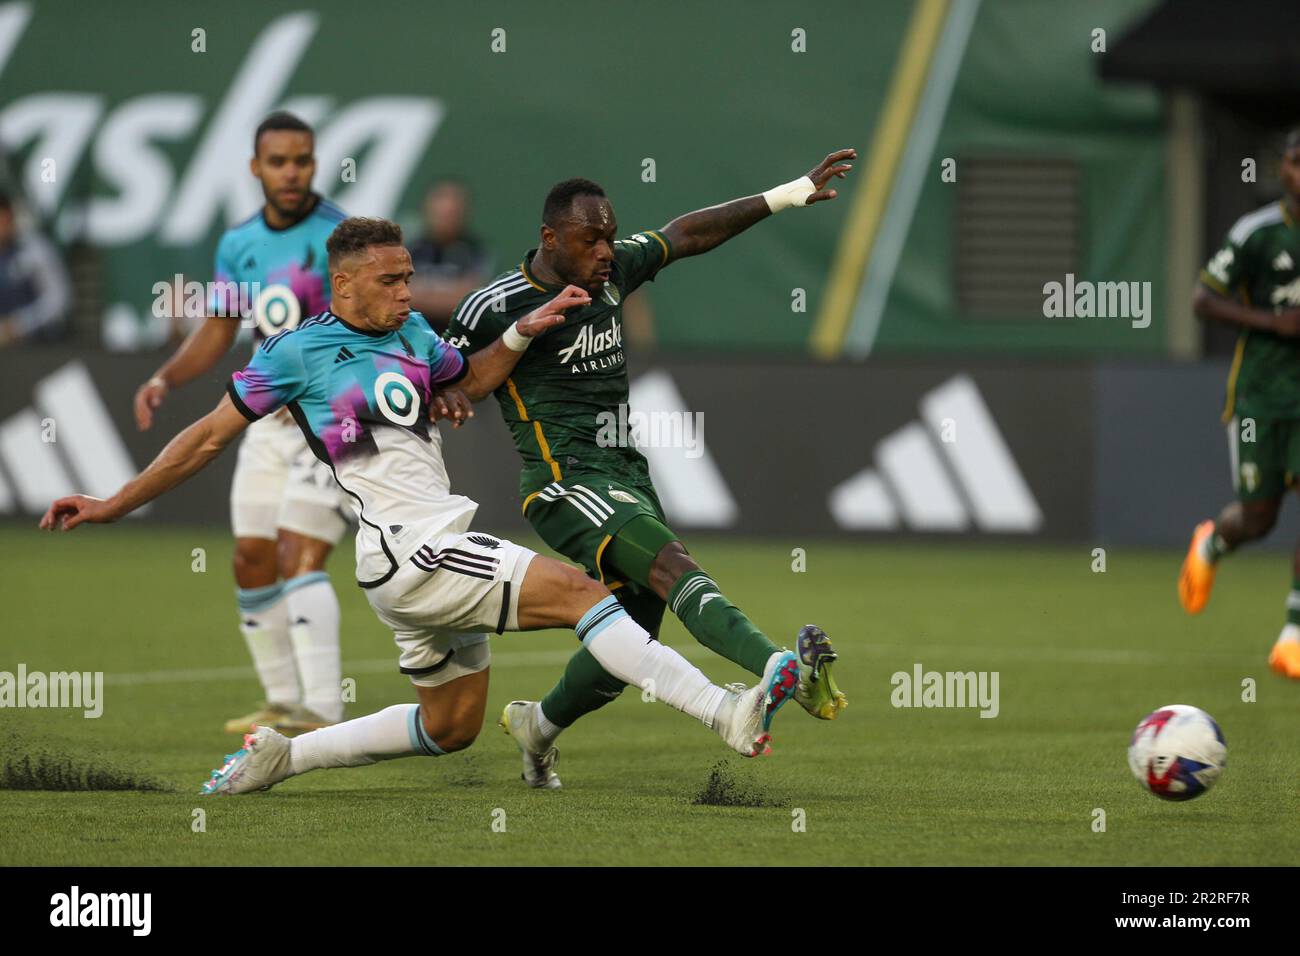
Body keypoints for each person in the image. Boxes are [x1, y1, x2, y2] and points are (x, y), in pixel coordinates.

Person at [40, 217, 800, 796]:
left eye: (408, 277)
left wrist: (522, 332)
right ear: (342, 287)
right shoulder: (293, 354)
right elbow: (206, 439)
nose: (408, 293)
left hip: (405, 561)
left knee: (453, 728)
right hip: (413, 546)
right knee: (583, 596)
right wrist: (113, 503)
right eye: (390, 281)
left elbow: (463, 382)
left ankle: (285, 757)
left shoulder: (407, 332)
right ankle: (721, 711)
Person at [443, 150, 856, 788]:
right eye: (591, 239)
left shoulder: (612, 273)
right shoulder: (495, 304)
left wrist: (785, 194)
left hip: (625, 474)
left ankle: (538, 728)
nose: (607, 250)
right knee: (673, 566)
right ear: (550, 238)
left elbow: (687, 233)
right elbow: (465, 385)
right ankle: (778, 668)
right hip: (564, 481)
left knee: (628, 635)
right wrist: (523, 334)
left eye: (610, 236)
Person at [131, 111, 350, 735]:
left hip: (328, 421)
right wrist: (165, 377)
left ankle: (325, 711)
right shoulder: (239, 243)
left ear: (314, 163)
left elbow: (363, 329)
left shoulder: (340, 237)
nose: (291, 172)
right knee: (251, 558)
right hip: (265, 419)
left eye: (302, 160)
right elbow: (221, 327)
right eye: (278, 161)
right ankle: (283, 702)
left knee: (296, 552)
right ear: (256, 167)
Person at [1179, 128, 1300, 680]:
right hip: (1260, 396)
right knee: (1258, 518)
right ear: (1285, 170)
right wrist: (1272, 323)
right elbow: (1203, 300)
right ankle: (1213, 544)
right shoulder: (1258, 234)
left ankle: (1293, 636)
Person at [407, 179, 490, 330]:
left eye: (452, 212)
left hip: (456, 337)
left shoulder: (475, 251)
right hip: (413, 334)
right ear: (427, 210)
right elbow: (402, 295)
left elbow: (471, 299)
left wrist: (424, 294)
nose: (447, 217)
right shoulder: (411, 249)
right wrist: (449, 294)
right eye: (441, 213)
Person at [0, 191, 72, 346]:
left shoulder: (34, 249)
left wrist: (20, 324)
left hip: (38, 345)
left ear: (10, 217)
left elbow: (59, 299)